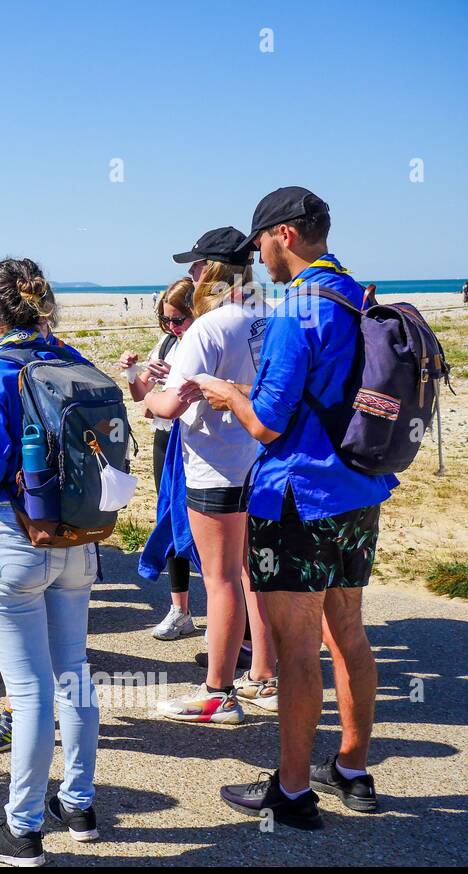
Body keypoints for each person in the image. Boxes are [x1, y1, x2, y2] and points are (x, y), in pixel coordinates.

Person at [195, 187, 391, 828]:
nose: (258, 256)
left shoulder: (296, 309)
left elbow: (268, 425)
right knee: (350, 633)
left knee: (297, 647)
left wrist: (227, 393)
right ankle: (354, 769)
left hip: (296, 499)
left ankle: (293, 789)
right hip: (358, 489)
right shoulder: (357, 295)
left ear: (283, 234)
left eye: (260, 243)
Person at [0, 257, 100, 866]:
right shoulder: (73, 361)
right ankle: (79, 803)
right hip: (77, 539)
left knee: (30, 689)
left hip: (13, 538)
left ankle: (23, 828)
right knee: (75, 674)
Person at [146, 228, 276, 724]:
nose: (191, 274)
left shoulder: (209, 327)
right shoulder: (271, 315)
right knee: (252, 574)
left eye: (196, 266)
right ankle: (265, 676)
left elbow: (171, 403)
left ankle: (217, 692)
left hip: (216, 464)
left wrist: (149, 398)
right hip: (261, 461)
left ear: (212, 271)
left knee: (220, 579)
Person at [120, 276, 197, 639]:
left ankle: (233, 616)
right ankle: (179, 608)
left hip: (196, 443)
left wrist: (159, 401)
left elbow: (160, 405)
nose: (171, 326)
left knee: (200, 529)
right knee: (168, 520)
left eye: (178, 319)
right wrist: (133, 373)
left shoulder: (202, 342)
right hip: (166, 441)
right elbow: (141, 397)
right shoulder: (167, 342)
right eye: (165, 320)